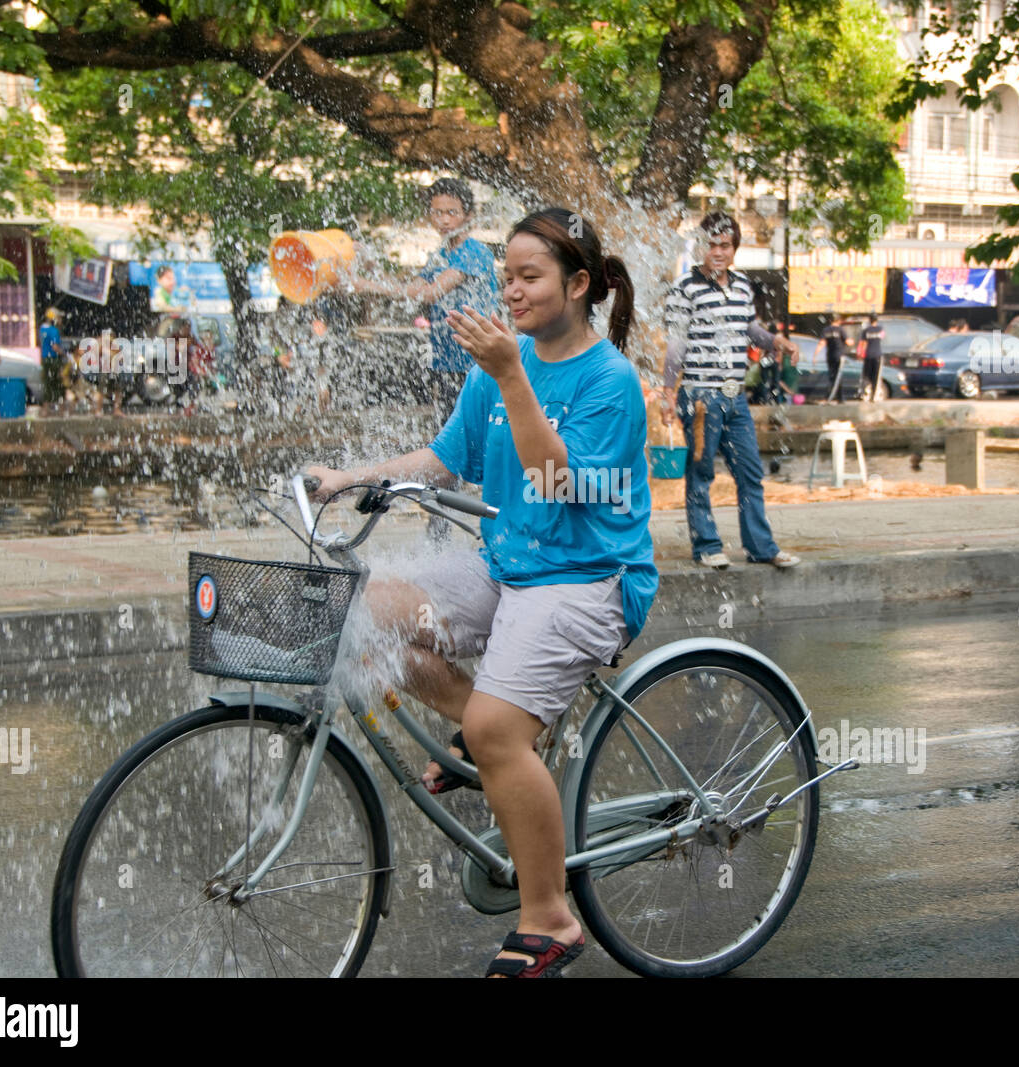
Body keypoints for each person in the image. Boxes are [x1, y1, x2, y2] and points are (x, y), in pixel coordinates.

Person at [307, 206, 655, 978]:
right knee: (366, 618)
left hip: (588, 579)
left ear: (579, 285)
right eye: (506, 277)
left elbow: (556, 479)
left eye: (529, 277)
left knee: (499, 730)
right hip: (508, 569)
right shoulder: (494, 365)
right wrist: (351, 477)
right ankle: (488, 734)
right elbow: (445, 455)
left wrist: (509, 372)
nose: (513, 291)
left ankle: (550, 917)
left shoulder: (609, 381)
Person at [660, 211, 799, 569]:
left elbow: (749, 329)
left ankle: (761, 547)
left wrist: (776, 341)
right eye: (711, 244)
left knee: (750, 472)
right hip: (701, 397)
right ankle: (706, 545)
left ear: (735, 249)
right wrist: (668, 393)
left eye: (725, 245)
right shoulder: (684, 288)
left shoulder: (741, 285)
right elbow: (675, 346)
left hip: (735, 396)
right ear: (701, 246)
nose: (717, 252)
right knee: (701, 472)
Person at [354, 177, 499, 423]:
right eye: (437, 213)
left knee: (475, 434)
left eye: (452, 213)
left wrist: (366, 285)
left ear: (469, 216)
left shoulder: (475, 252)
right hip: (446, 359)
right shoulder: (440, 255)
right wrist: (370, 265)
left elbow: (432, 293)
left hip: (477, 360)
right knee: (448, 431)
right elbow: (410, 289)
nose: (444, 220)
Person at [815, 313, 849, 403]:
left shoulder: (826, 330)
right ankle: (840, 398)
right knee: (838, 377)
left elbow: (822, 343)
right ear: (838, 320)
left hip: (830, 356)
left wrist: (815, 355)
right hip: (839, 356)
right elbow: (848, 342)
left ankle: (829, 396)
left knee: (832, 376)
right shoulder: (840, 330)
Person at [39, 308, 66, 415]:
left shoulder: (42, 329)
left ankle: (45, 409)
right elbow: (55, 347)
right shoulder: (54, 331)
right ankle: (61, 409)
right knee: (58, 383)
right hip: (53, 360)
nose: (60, 320)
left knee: (47, 383)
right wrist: (64, 353)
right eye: (59, 318)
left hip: (45, 358)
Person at [858, 313, 885, 401]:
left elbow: (864, 344)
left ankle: (864, 394)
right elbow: (883, 338)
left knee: (866, 375)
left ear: (869, 320)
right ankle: (874, 396)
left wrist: (861, 354)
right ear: (877, 320)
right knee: (876, 376)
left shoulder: (866, 330)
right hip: (877, 355)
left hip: (868, 355)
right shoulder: (880, 329)